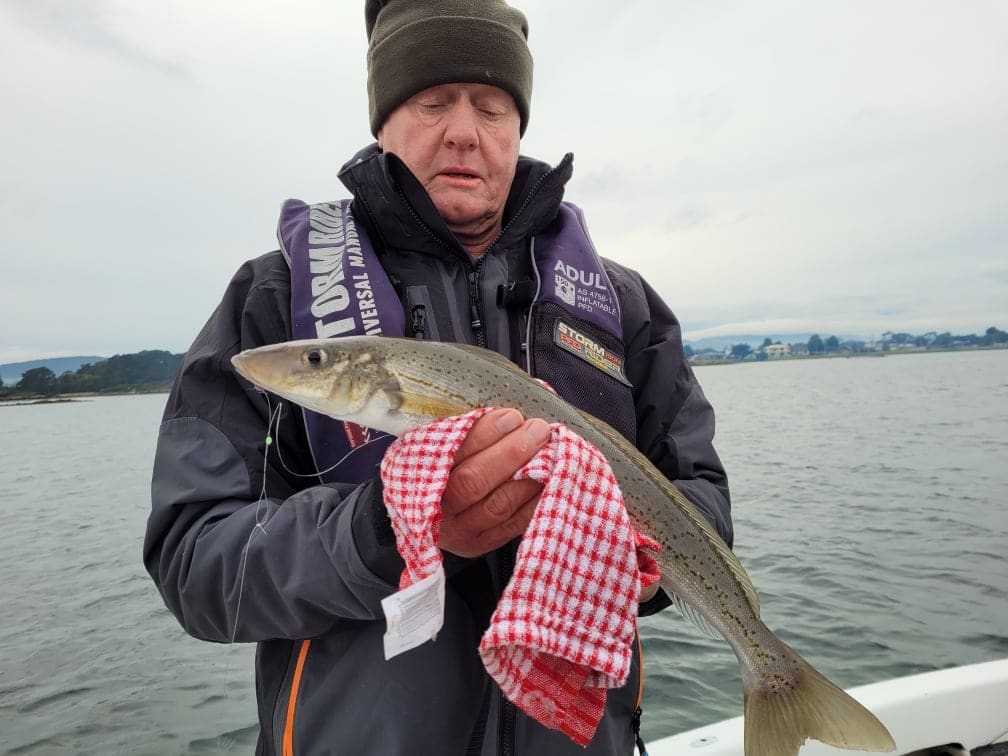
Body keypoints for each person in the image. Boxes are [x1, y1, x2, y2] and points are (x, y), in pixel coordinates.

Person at [143, 1, 732, 754]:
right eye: (431, 101)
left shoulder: (623, 305)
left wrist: (637, 570)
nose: (463, 131)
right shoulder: (273, 298)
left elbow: (702, 503)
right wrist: (381, 533)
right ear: (383, 121)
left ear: (517, 127)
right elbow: (195, 564)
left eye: (491, 106)